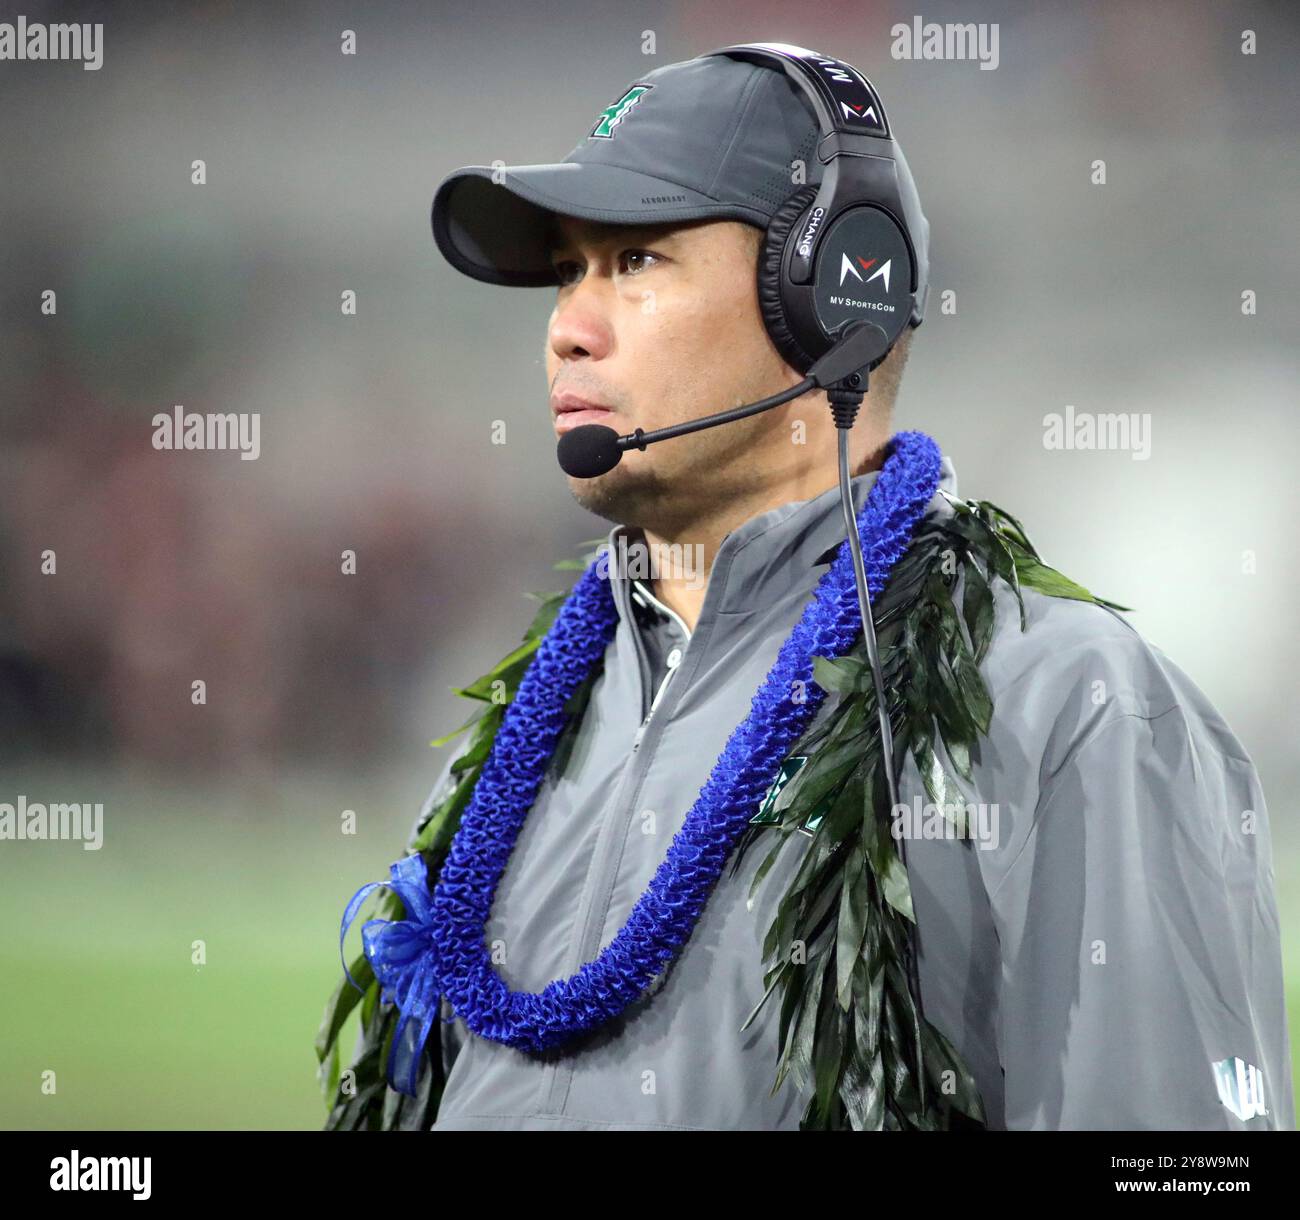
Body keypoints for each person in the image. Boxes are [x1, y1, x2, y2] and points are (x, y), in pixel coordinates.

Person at [331, 44, 1293, 1132]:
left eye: (636, 260)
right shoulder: (511, 738)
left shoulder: (1073, 708)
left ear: (832, 290)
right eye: (566, 272)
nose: (568, 325)